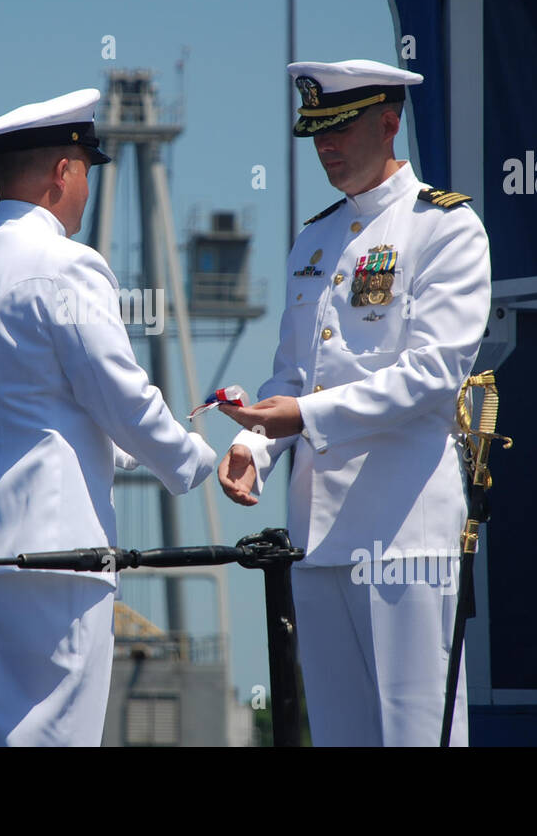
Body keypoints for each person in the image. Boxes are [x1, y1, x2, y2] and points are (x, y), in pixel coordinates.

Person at [0, 87, 216, 746]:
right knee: (48, 733)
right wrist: (197, 459)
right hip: (54, 553)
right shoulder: (68, 267)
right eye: (86, 171)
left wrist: (122, 449)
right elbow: (124, 399)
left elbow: (27, 414)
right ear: (64, 172)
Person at [216, 60, 491, 746]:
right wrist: (254, 445)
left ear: (389, 122)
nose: (324, 145)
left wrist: (302, 417)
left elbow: (433, 373)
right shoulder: (313, 240)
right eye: (315, 131)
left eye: (339, 128)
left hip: (404, 534)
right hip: (319, 536)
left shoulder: (445, 229)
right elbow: (291, 376)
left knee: (417, 735)